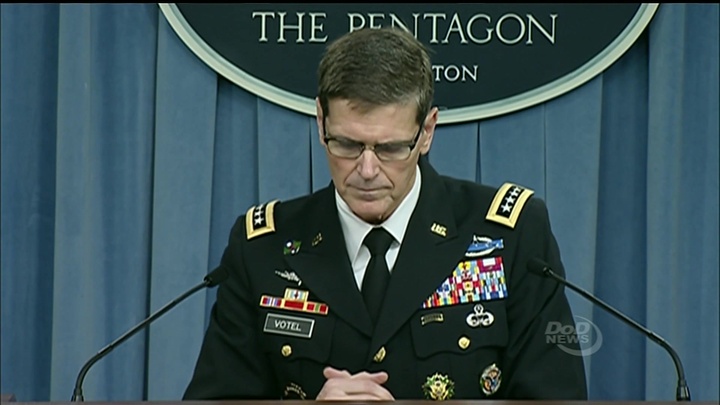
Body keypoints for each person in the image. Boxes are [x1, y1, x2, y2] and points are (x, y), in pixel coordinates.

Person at [183, 27, 587, 401]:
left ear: (427, 131)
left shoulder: (513, 237)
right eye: (346, 144)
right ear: (320, 122)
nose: (367, 170)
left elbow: (557, 398)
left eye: (391, 148)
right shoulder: (263, 248)